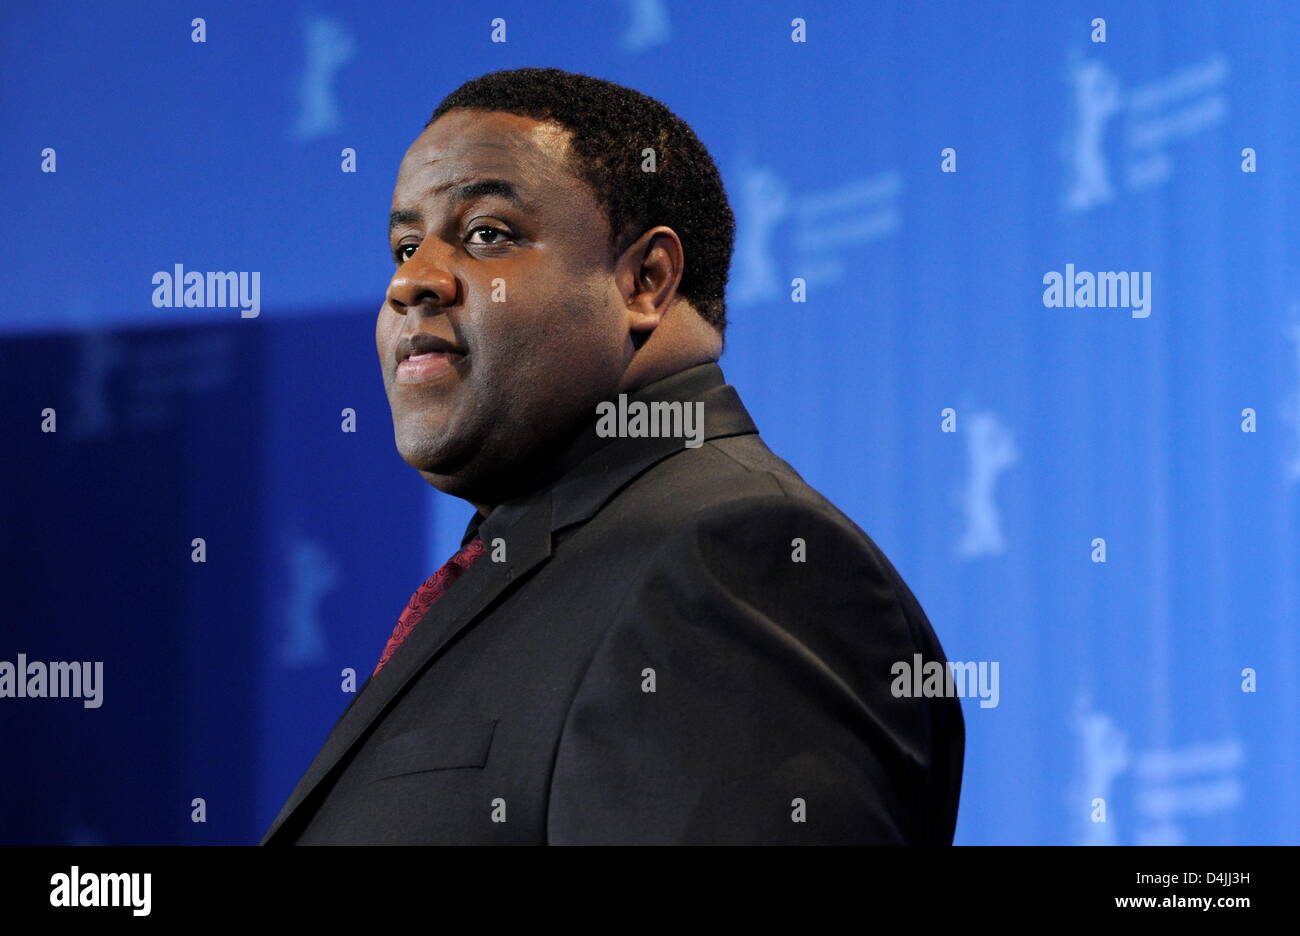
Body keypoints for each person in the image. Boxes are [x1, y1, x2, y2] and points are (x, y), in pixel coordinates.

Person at [261, 67, 963, 845]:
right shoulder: (535, 561)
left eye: (487, 233)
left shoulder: (740, 564)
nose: (411, 281)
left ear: (644, 281)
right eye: (403, 244)